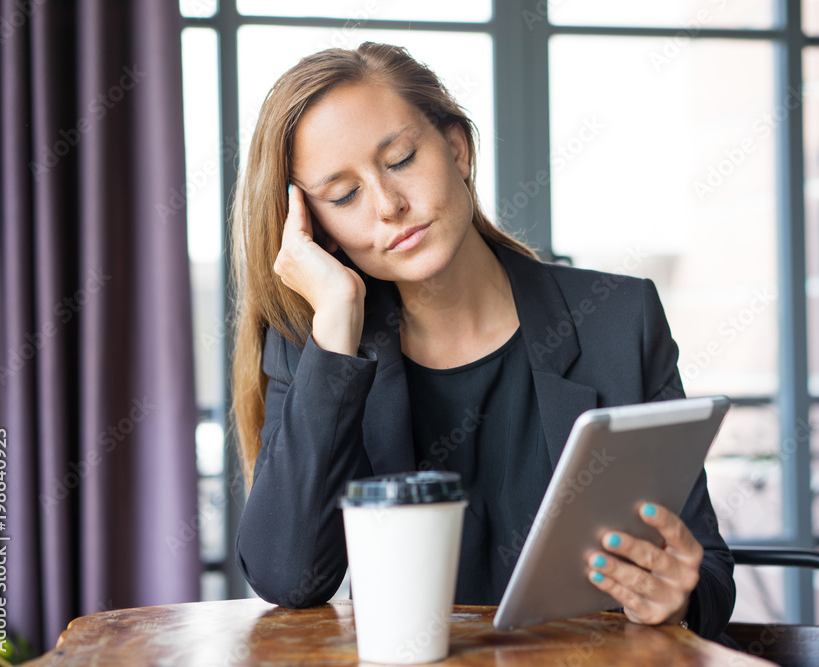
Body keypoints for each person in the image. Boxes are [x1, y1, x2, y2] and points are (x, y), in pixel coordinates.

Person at [231, 42, 736, 640]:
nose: (389, 206)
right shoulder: (318, 350)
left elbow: (705, 564)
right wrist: (337, 319)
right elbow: (288, 577)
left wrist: (675, 594)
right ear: (317, 229)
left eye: (400, 159)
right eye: (344, 197)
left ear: (456, 148)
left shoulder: (619, 319)